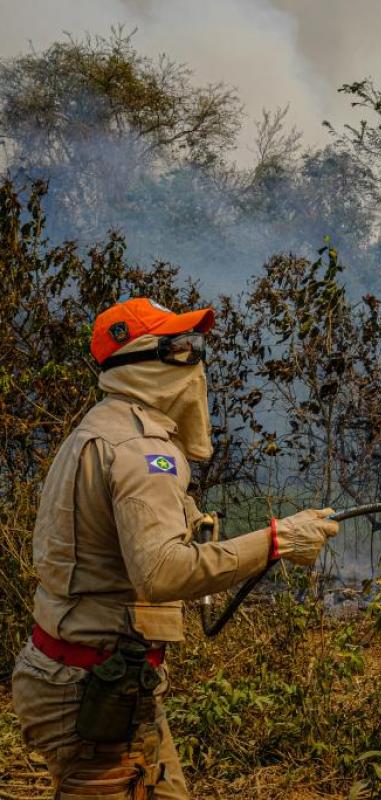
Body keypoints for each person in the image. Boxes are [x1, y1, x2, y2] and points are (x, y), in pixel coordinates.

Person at [11, 298, 339, 799]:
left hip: (93, 677)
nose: (196, 361)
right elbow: (161, 572)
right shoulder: (143, 450)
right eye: (183, 348)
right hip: (93, 689)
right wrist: (277, 541)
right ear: (142, 362)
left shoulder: (100, 427)